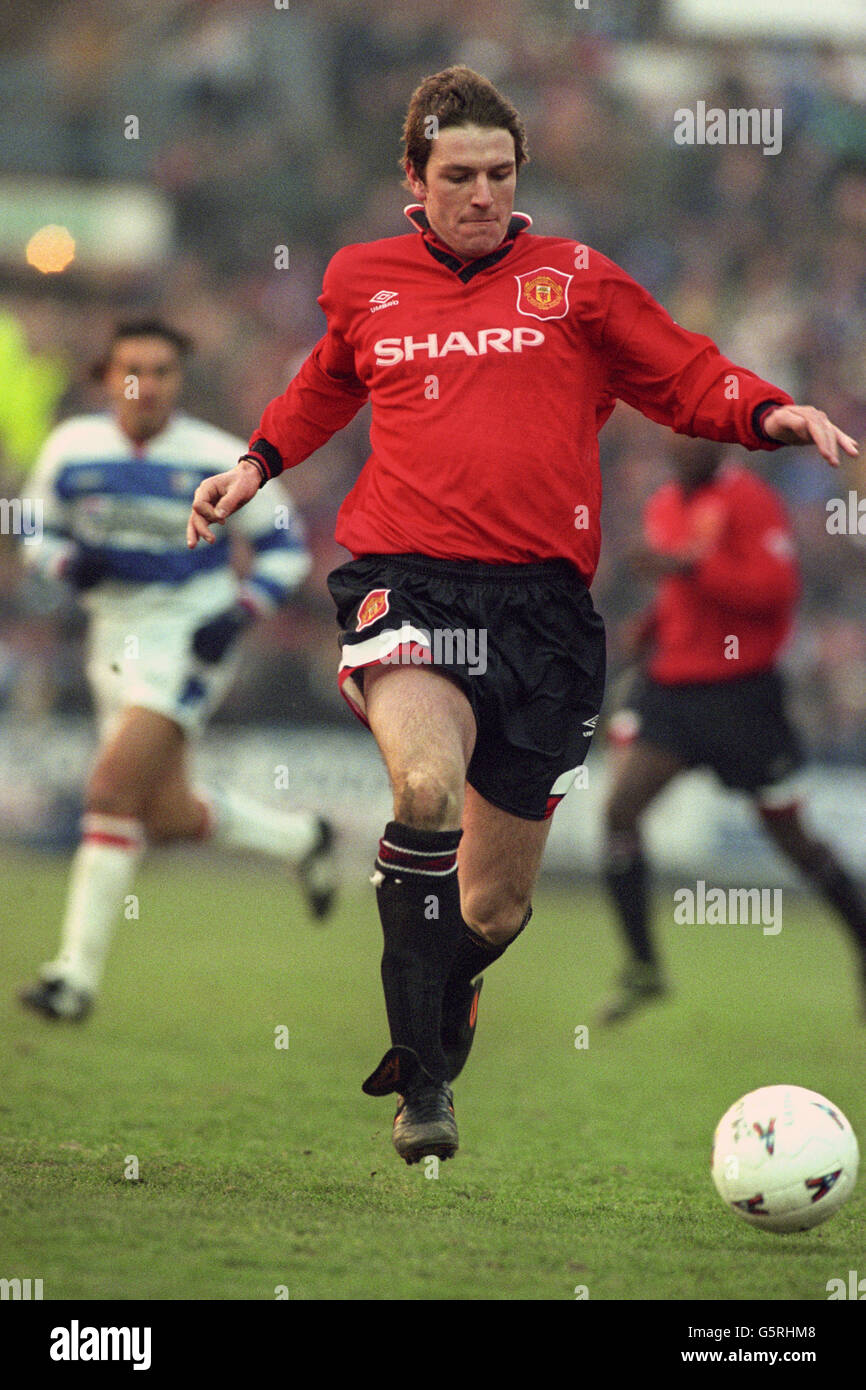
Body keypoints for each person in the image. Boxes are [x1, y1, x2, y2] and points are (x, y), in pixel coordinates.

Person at [186, 66, 858, 1165]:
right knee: (422, 787)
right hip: (410, 582)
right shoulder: (365, 280)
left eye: (499, 174)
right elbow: (325, 380)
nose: (482, 194)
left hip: (544, 617)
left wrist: (768, 408)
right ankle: (425, 1091)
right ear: (414, 177)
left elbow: (681, 373)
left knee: (490, 909)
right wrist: (253, 463)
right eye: (458, 175)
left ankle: (428, 1018)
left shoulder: (576, 282)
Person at [19, 318, 336, 1023]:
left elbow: (287, 547)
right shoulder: (72, 448)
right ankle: (302, 838)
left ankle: (72, 978)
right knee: (162, 814)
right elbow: (29, 524)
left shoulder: (218, 456)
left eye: (162, 370)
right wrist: (64, 561)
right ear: (106, 378)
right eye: (133, 369)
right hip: (110, 637)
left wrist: (241, 612)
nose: (148, 384)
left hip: (186, 642)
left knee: (108, 791)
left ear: (178, 381)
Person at [598, 436, 866, 1023]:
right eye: (672, 431)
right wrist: (653, 622)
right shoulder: (665, 501)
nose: (679, 442)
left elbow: (775, 593)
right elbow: (680, 595)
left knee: (794, 841)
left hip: (742, 697)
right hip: (674, 688)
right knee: (620, 812)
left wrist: (691, 567)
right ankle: (643, 966)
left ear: (718, 445)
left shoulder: (752, 501)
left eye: (693, 433)